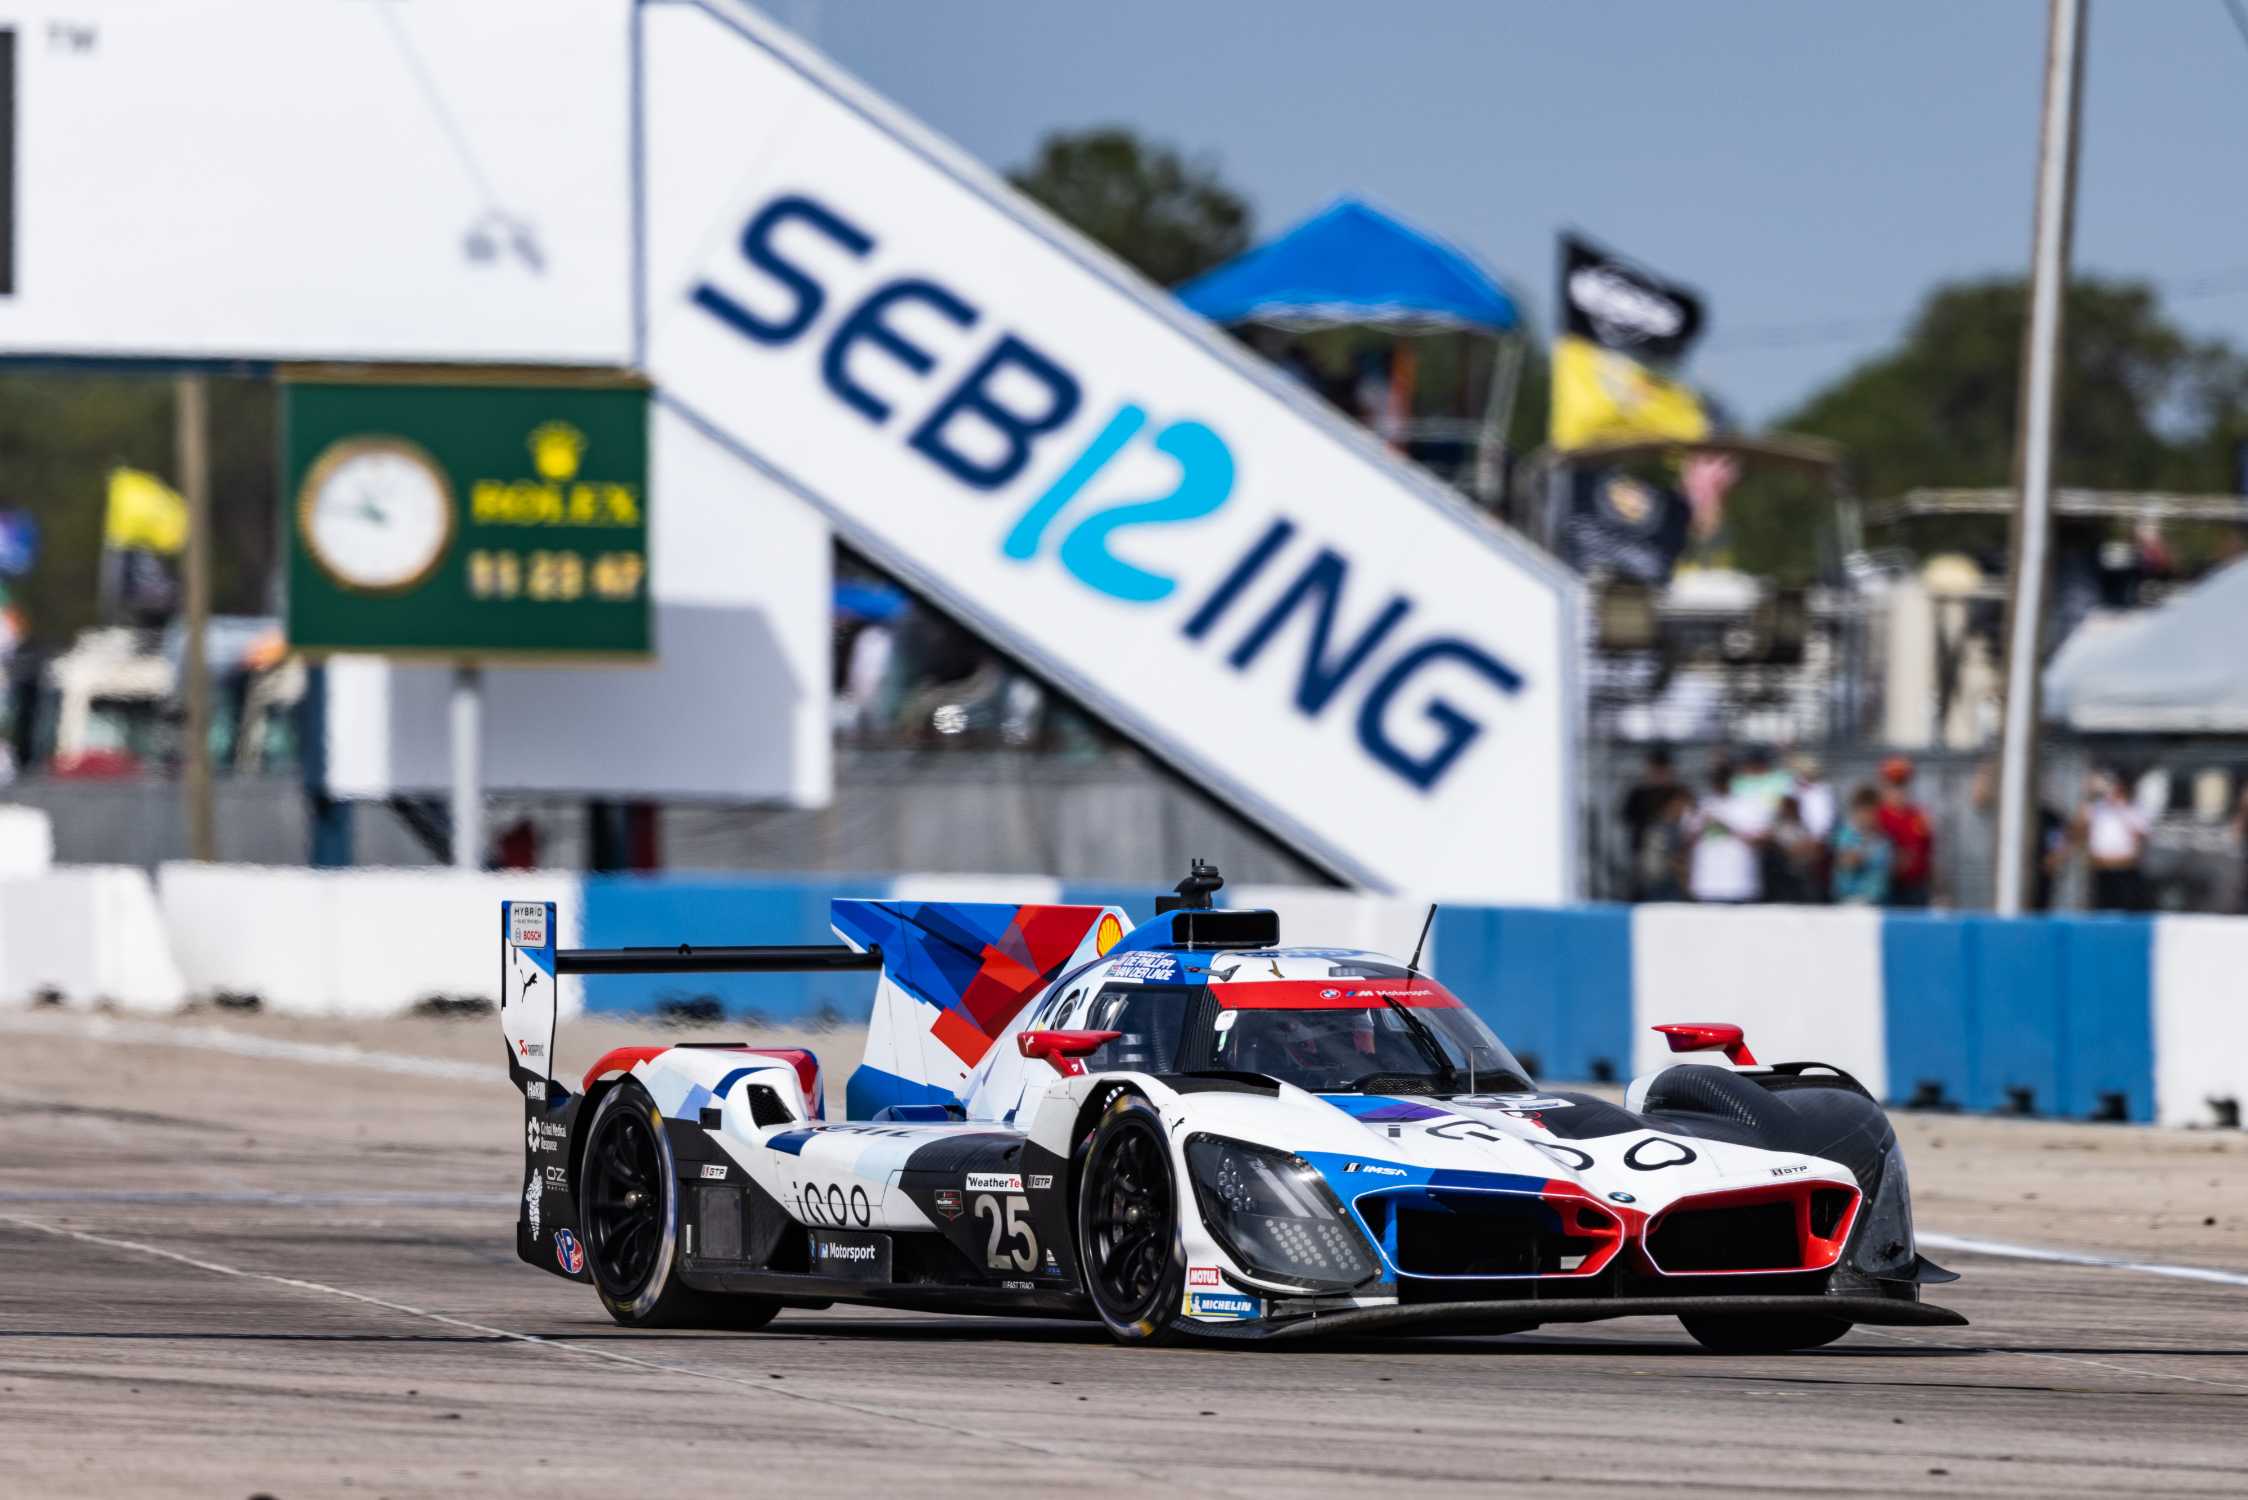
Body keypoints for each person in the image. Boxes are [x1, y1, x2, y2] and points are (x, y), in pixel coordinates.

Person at [1688, 758, 1769, 904]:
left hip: (1740, 884)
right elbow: (1688, 841)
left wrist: (1725, 825)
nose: (1719, 783)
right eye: (1716, 779)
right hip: (1707, 885)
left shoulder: (1749, 805)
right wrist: (1701, 823)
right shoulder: (1702, 805)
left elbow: (1760, 842)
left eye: (1723, 778)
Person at [2076, 768, 2151, 912]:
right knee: (2102, 909)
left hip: (2124, 868)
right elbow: (2079, 829)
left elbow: (2141, 835)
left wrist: (2118, 807)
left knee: (2124, 908)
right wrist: (2089, 797)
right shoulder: (2096, 809)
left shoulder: (2133, 809)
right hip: (2101, 868)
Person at [1620, 747, 1680, 898]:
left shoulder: (1678, 792)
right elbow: (1626, 818)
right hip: (1645, 854)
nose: (1659, 773)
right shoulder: (1638, 793)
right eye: (1656, 768)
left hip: (1673, 856)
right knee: (1645, 892)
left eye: (1663, 769)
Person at [1876, 756, 1936, 907]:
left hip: (1915, 888)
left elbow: (1929, 855)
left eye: (1901, 784)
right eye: (1893, 784)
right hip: (1885, 887)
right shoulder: (1878, 816)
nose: (1898, 789)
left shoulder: (1919, 817)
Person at [1832, 786, 1894, 905]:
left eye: (1872, 812)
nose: (1868, 817)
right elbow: (1846, 862)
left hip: (1878, 902)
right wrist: (1861, 853)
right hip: (1849, 901)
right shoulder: (1846, 834)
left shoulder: (1883, 839)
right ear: (1856, 811)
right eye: (1864, 811)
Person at [1634, 786, 1693, 902]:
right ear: (1673, 804)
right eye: (1684, 805)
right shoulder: (1661, 828)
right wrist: (1684, 879)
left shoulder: (1676, 827)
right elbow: (1668, 858)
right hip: (1661, 883)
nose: (1685, 810)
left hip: (1666, 882)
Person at [1764, 794, 1823, 904]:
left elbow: (1812, 850)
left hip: (1801, 872)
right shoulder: (1776, 827)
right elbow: (1779, 846)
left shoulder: (1803, 827)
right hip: (1781, 874)